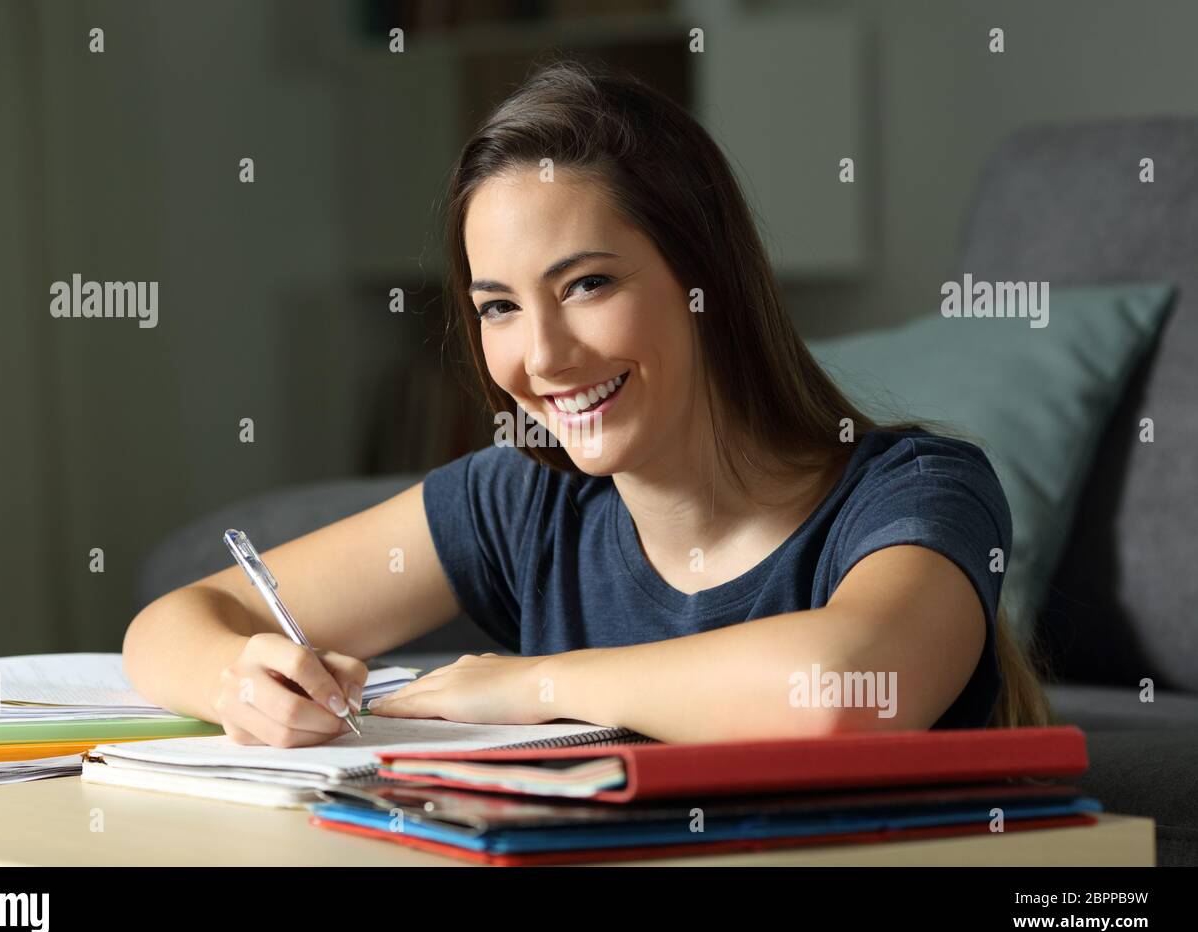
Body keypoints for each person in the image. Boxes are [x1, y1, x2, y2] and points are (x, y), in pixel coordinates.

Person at [123, 59, 1050, 747]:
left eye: (586, 286)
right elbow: (170, 624)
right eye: (498, 308)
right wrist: (238, 679)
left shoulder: (916, 492)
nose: (543, 358)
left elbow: (849, 690)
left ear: (707, 280)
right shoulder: (526, 499)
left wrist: (531, 687)